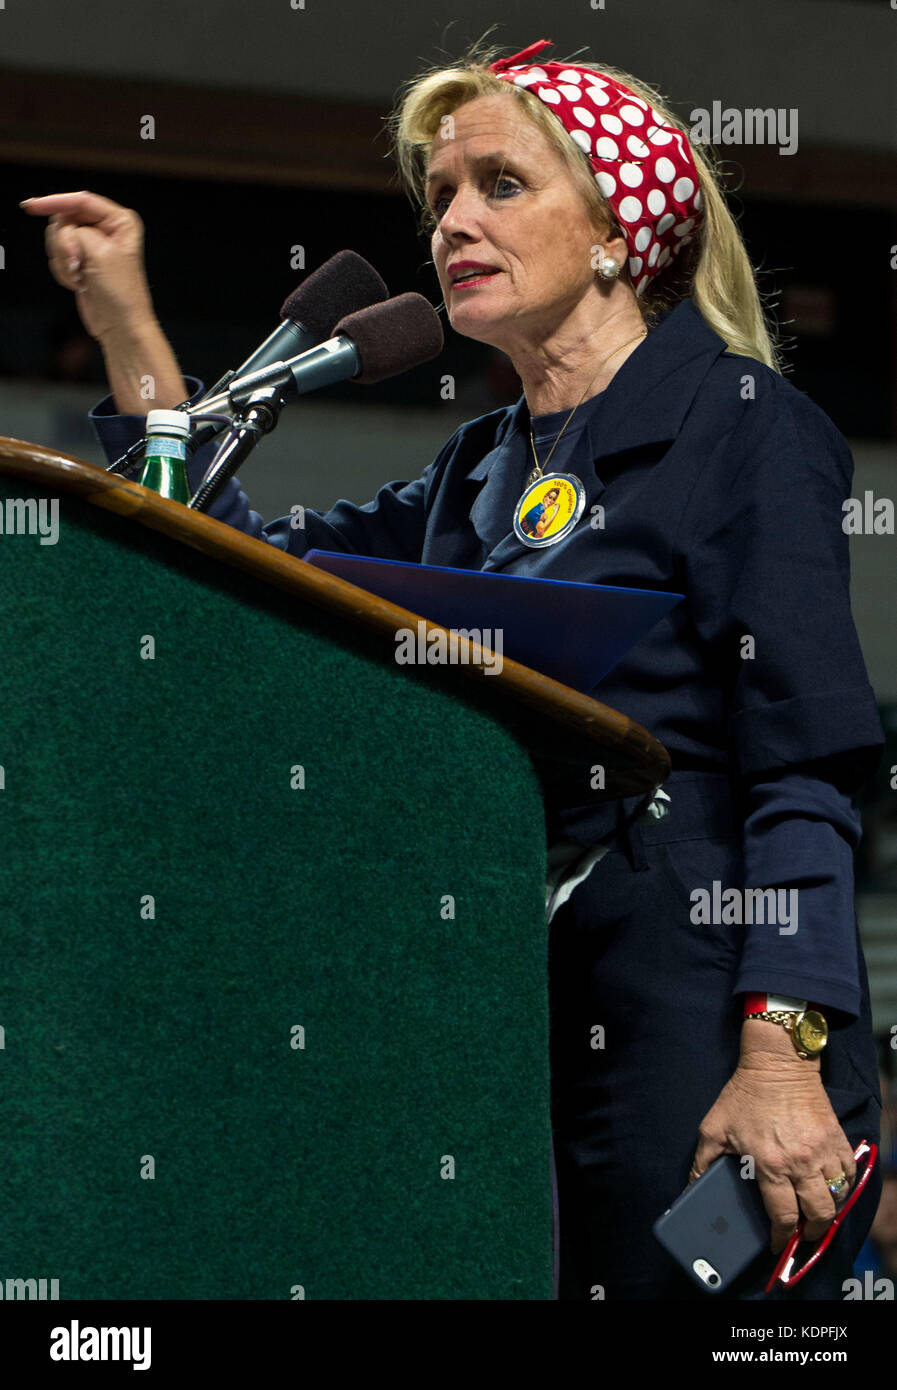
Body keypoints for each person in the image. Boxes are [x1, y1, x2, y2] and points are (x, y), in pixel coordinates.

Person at [23, 36, 885, 1301]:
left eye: (499, 184)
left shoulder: (743, 425)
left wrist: (781, 1046)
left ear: (617, 226)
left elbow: (806, 766)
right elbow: (235, 557)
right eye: (438, 198)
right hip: (490, 981)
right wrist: (129, 326)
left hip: (689, 993)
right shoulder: (479, 467)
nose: (452, 224)